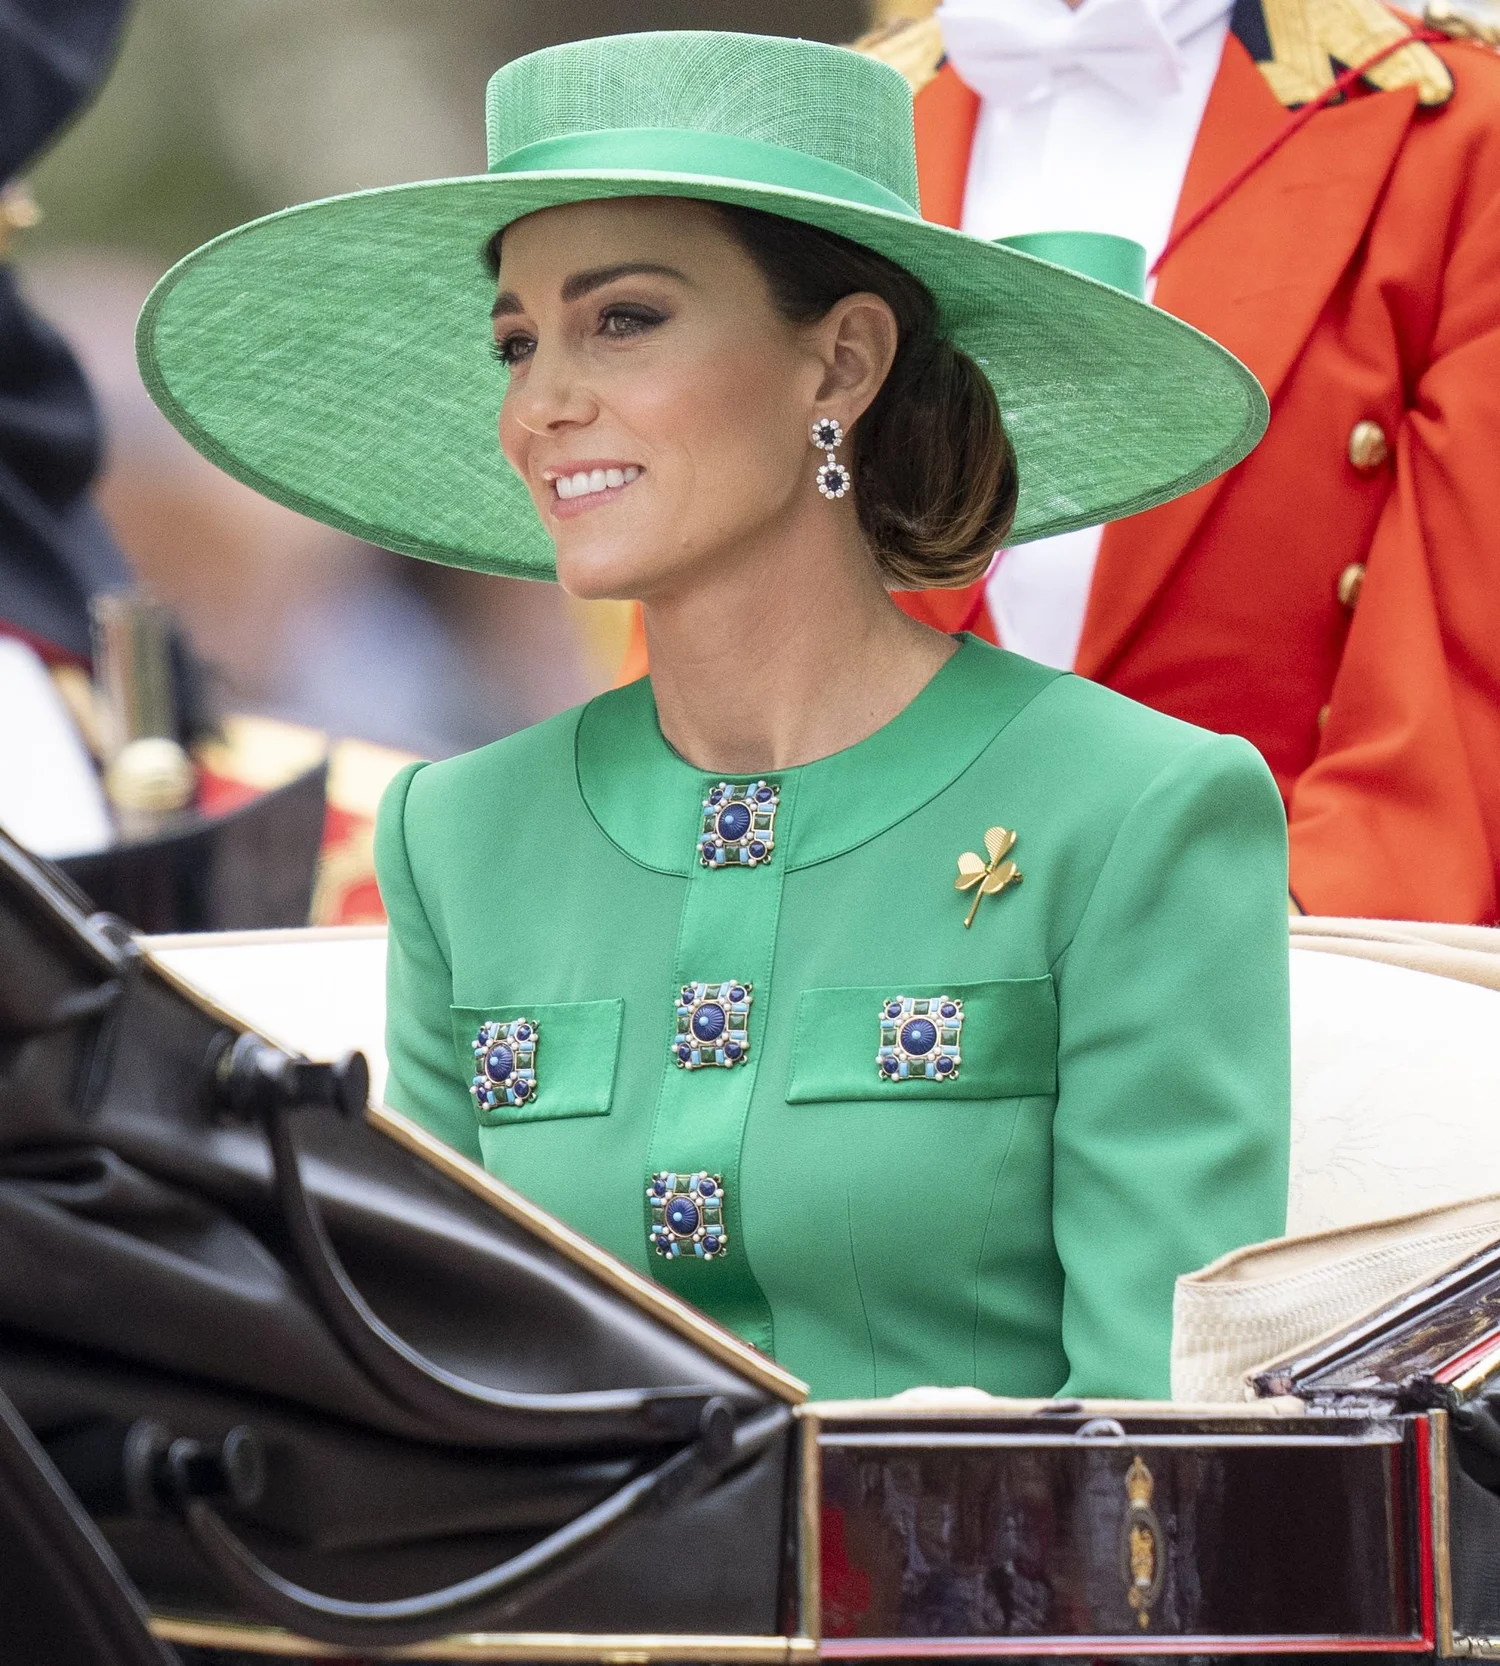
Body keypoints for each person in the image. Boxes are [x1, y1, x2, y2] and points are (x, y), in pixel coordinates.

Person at [137, 30, 1290, 1401]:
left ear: (842, 364)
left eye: (621, 319)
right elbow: (434, 1383)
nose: (542, 404)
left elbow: (1167, 1465)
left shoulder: (1138, 810)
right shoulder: (454, 834)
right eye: (518, 340)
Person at [857, 0, 1500, 924]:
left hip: (1278, 958)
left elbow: (1446, 705)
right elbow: (722, 603)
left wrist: (1256, 966)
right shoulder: (836, 134)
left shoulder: (1452, 127)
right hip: (868, 955)